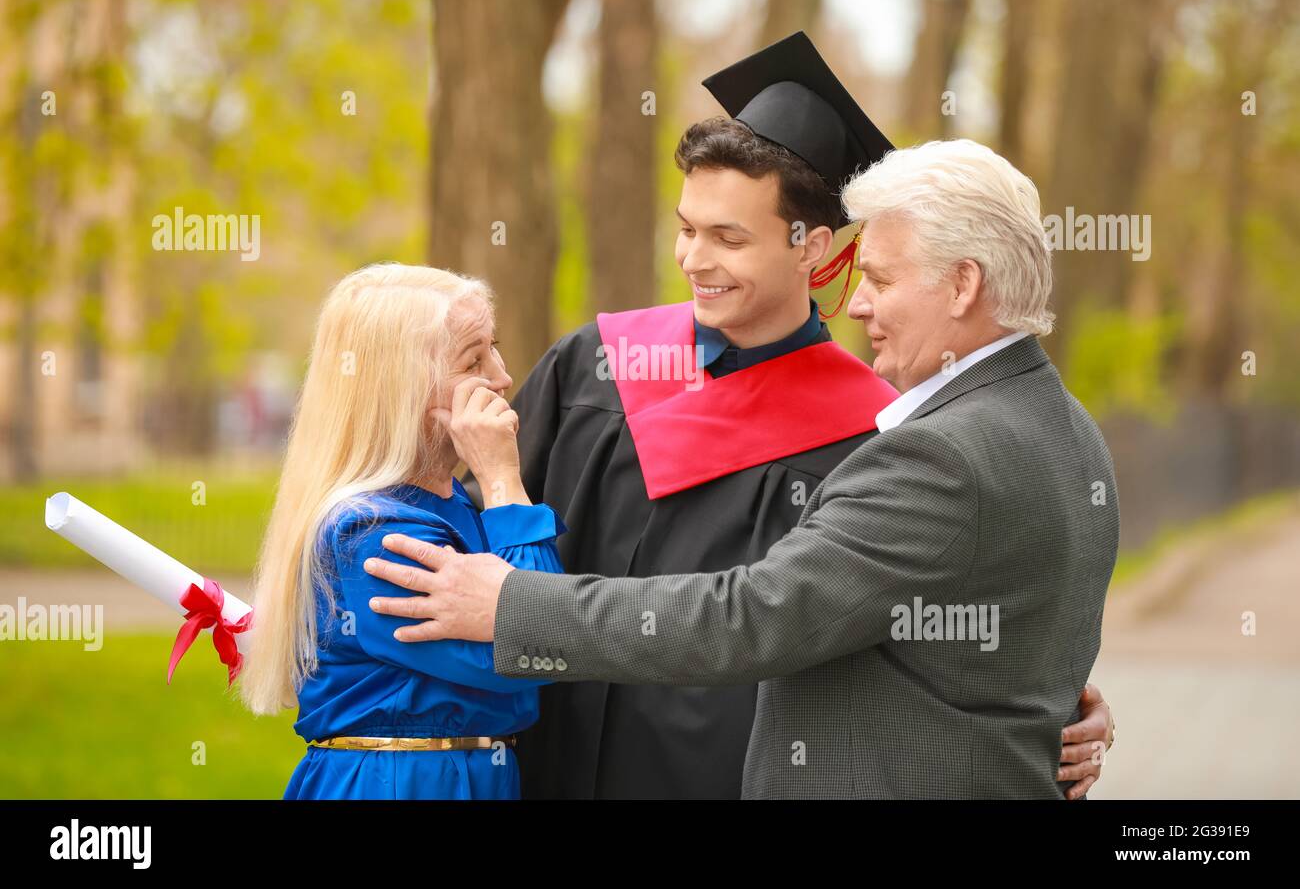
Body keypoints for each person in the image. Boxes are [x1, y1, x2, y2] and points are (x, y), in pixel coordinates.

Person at [364, 139, 1122, 799]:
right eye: (687, 229)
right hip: (562, 743)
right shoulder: (594, 365)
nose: (695, 258)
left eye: (727, 236)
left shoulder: (902, 437)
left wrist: (1037, 698)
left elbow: (759, 615)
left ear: (808, 247)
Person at [238, 263, 564, 799]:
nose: (503, 377)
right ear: (406, 388)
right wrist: (503, 479)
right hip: (398, 783)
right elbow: (541, 644)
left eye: (495, 347)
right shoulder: (371, 531)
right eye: (474, 360)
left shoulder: (449, 502)